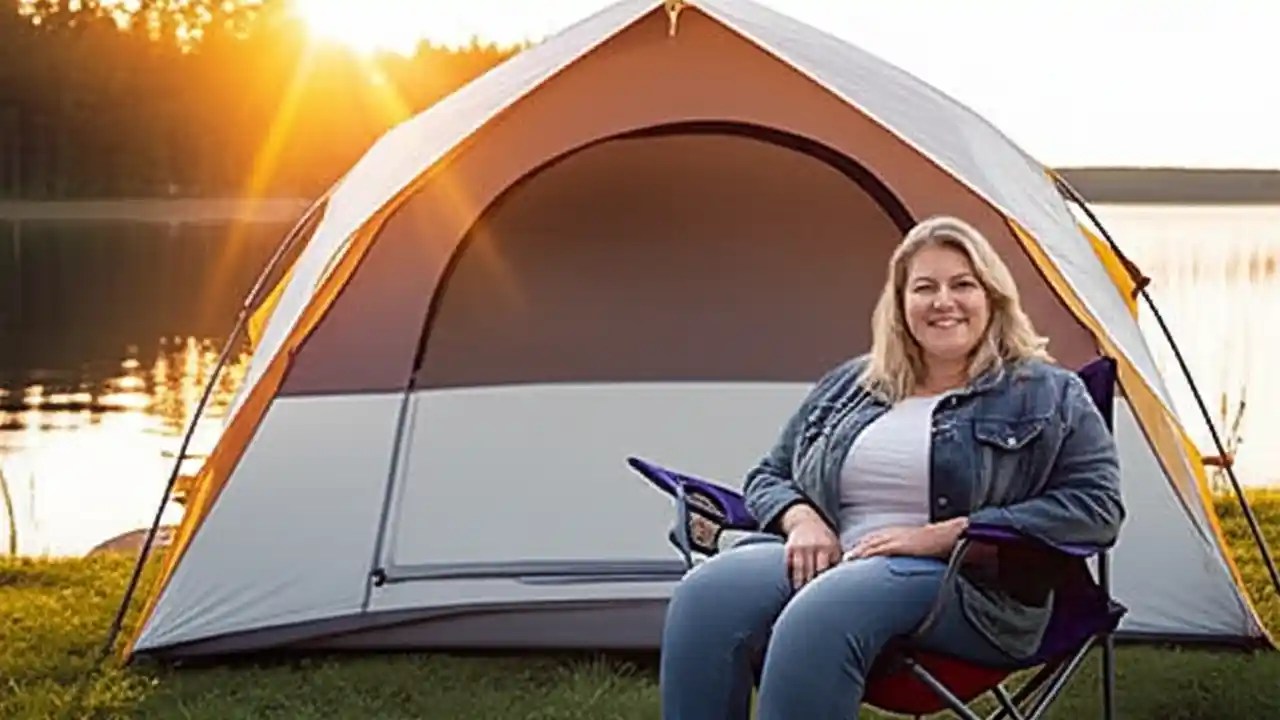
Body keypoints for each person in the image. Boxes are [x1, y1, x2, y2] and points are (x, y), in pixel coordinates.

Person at [658, 215, 1125, 719]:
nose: (943, 301)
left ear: (992, 296)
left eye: (962, 284)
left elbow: (1096, 509)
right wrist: (802, 519)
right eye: (924, 288)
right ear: (900, 304)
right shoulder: (853, 384)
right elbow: (769, 474)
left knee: (823, 611)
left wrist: (946, 535)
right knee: (704, 596)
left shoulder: (1048, 392)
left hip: (960, 586)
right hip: (831, 555)